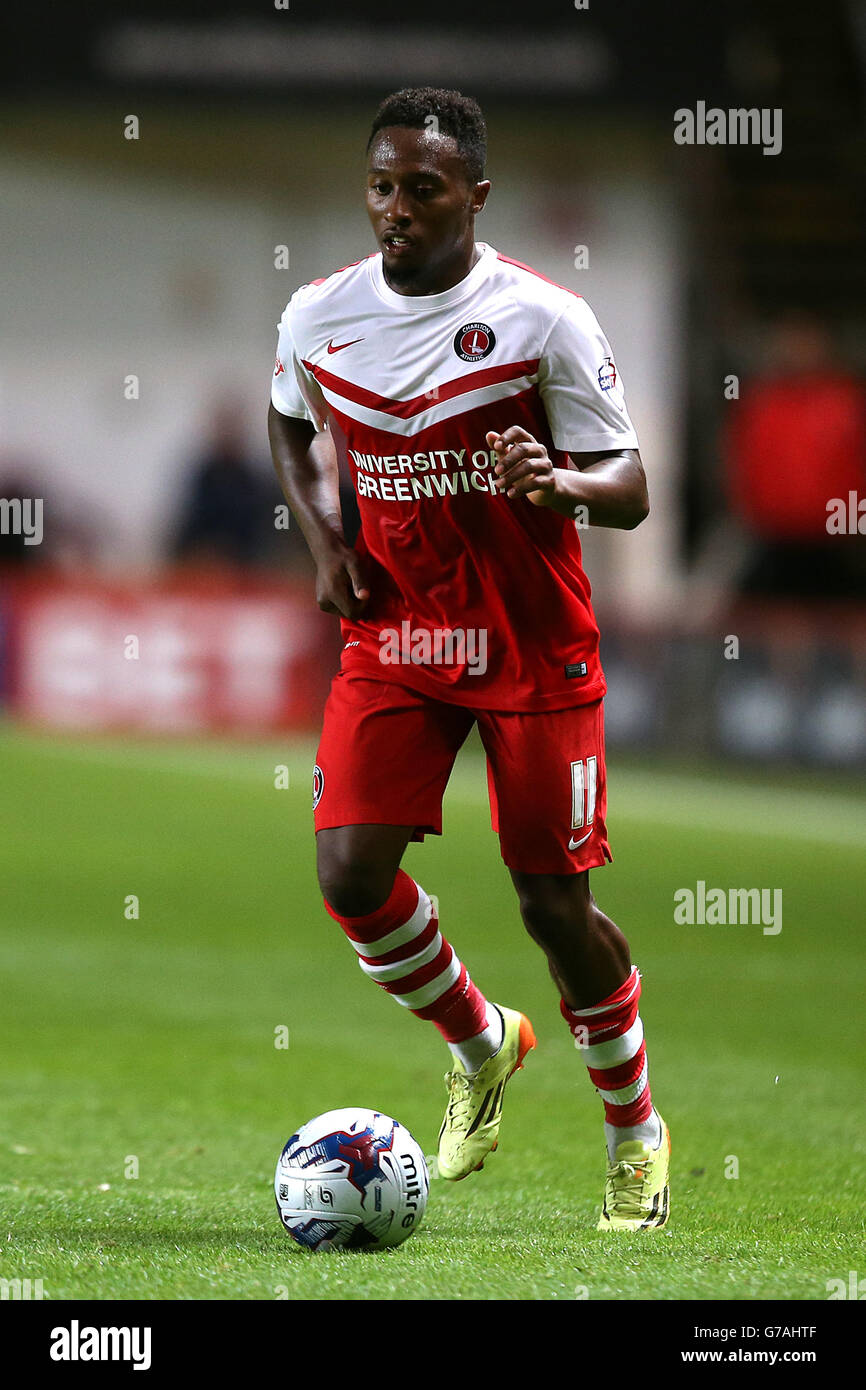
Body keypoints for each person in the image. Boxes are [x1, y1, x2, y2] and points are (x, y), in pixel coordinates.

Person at [268, 88, 669, 1231]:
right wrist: (323, 535)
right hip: (395, 633)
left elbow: (630, 486)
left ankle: (633, 1132)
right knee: (348, 874)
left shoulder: (543, 320)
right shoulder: (316, 314)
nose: (395, 209)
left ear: (475, 198)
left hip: (529, 647)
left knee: (553, 908)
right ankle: (480, 1039)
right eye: (381, 186)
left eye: (422, 189)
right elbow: (285, 423)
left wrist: (558, 482)